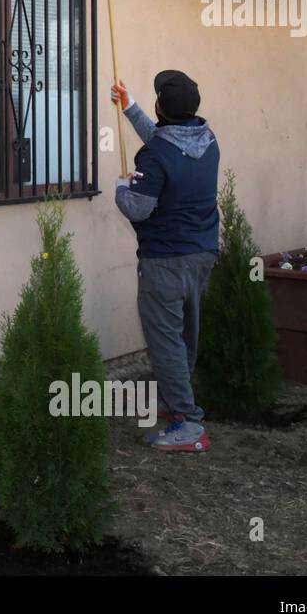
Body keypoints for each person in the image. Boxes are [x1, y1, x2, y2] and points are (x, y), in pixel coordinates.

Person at [111, 70, 220, 452]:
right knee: (185, 332)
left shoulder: (155, 155)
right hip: (201, 254)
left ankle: (188, 424)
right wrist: (130, 107)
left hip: (165, 261)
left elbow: (138, 209)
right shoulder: (207, 140)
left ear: (162, 108)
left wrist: (123, 187)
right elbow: (166, 145)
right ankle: (180, 404)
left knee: (166, 342)